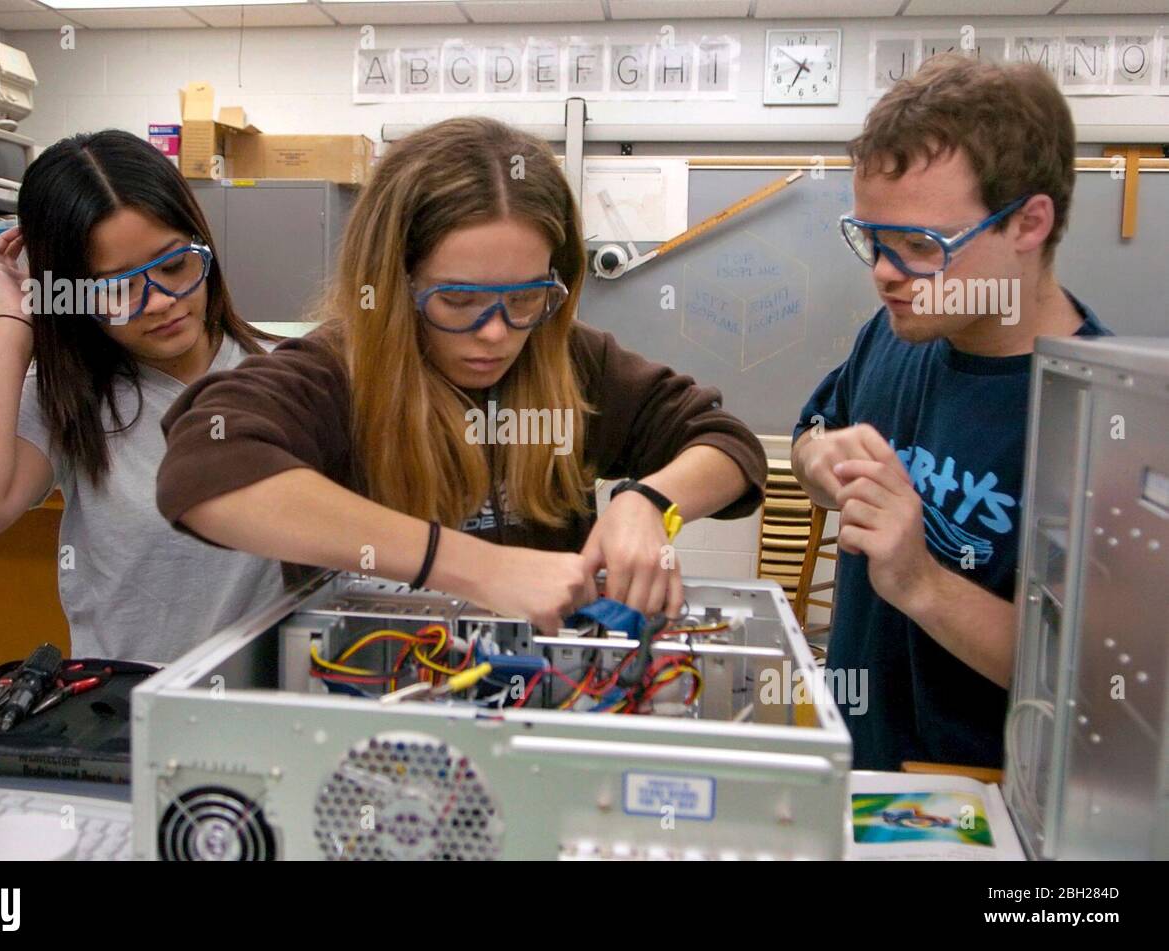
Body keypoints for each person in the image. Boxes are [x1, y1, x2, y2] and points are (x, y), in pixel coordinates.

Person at [156, 116, 767, 634]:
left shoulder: (572, 359)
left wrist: (651, 502)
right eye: (457, 302)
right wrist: (481, 569)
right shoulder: (333, 376)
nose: (497, 333)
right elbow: (204, 470)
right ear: (394, 285)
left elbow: (727, 445)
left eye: (525, 298)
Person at [791, 54, 1112, 771]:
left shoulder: (1104, 419)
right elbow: (813, 437)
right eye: (872, 239)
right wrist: (822, 463)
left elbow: (1093, 690)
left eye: (918, 247)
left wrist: (920, 582)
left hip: (976, 815)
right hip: (853, 771)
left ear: (1028, 223)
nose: (883, 272)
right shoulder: (896, 331)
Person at [0, 130, 284, 662]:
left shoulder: (287, 373)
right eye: (115, 288)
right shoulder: (72, 396)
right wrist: (16, 319)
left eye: (175, 265)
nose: (158, 302)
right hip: (124, 719)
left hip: (283, 715)